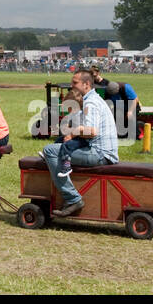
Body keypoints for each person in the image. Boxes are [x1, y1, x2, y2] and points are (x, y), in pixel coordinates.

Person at [41, 68, 118, 217]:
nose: (72, 85)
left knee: (50, 151)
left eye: (75, 82)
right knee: (57, 148)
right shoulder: (93, 99)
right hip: (103, 151)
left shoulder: (91, 103)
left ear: (87, 84)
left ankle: (73, 199)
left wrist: (73, 132)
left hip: (100, 154)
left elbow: (92, 131)